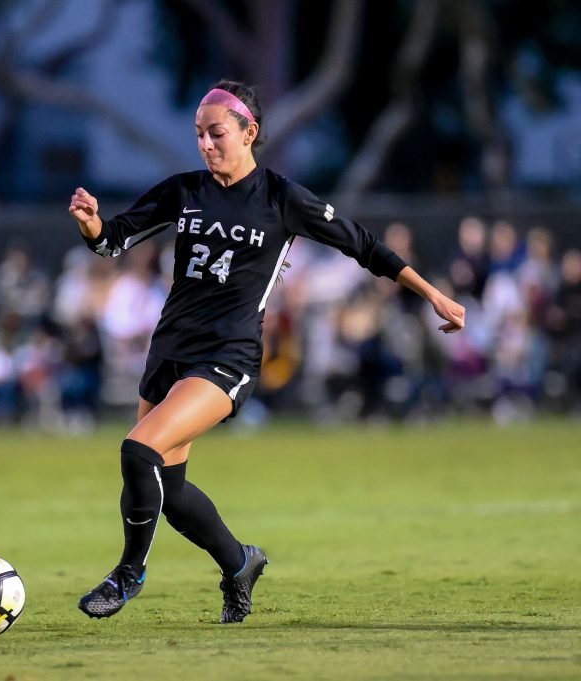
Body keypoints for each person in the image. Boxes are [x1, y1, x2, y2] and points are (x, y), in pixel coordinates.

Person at [68, 80, 465, 623]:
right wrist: (92, 223)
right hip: (169, 353)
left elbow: (364, 246)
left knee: (138, 452)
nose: (206, 145)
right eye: (199, 135)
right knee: (171, 489)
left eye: (217, 134)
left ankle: (128, 574)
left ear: (250, 132)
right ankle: (239, 563)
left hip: (226, 358)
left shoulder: (283, 199)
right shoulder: (184, 191)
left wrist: (434, 295)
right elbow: (114, 239)